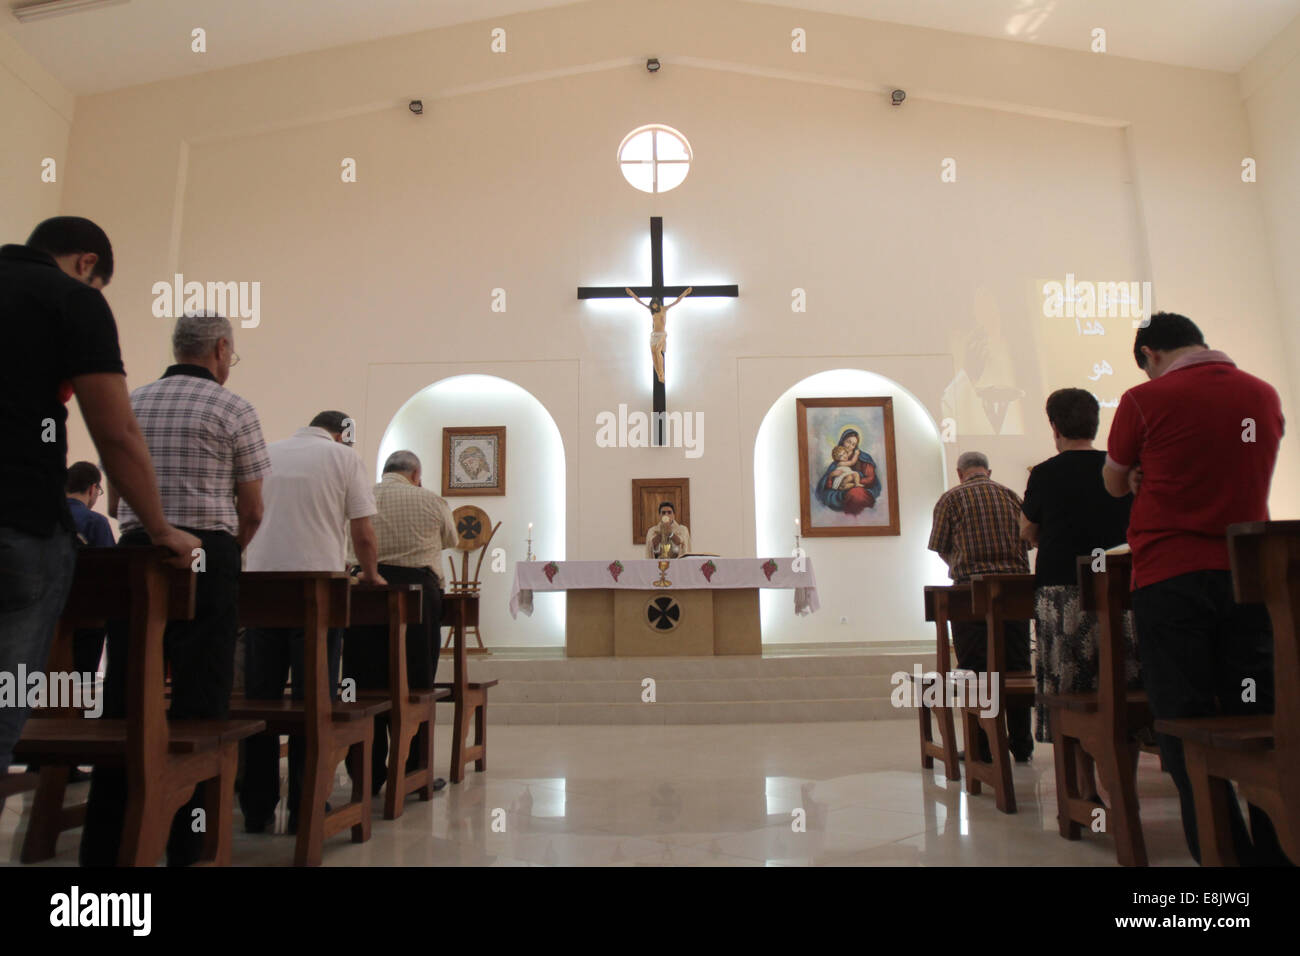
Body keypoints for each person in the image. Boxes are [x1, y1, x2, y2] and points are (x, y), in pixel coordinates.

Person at [0, 217, 197, 783]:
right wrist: (158, 526)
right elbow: (115, 432)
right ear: (87, 264)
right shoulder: (70, 300)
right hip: (16, 519)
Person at [81, 311, 270, 867]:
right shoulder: (233, 408)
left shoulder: (133, 401)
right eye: (230, 355)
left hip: (137, 552)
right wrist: (228, 549)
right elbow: (253, 507)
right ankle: (190, 842)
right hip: (207, 550)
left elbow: (117, 502)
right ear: (218, 349)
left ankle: (108, 842)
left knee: (126, 694)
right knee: (203, 695)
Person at [1103, 311, 1289, 865]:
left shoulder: (1144, 400)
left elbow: (1114, 481)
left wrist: (1139, 473)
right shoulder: (1262, 393)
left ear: (1150, 356)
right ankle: (1275, 855)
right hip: (1250, 578)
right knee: (1256, 717)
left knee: (1184, 723)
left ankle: (1222, 860)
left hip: (1171, 578)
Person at [240, 411, 386, 835]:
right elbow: (363, 533)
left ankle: (256, 808)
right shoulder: (343, 459)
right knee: (313, 703)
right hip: (317, 593)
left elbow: (245, 514)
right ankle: (308, 802)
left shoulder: (267, 453)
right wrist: (372, 574)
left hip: (262, 589)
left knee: (260, 701)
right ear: (342, 435)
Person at [1020, 389, 1138, 793]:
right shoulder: (1119, 469)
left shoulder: (1045, 473)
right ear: (1096, 423)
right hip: (1120, 591)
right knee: (1122, 686)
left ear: (1054, 427)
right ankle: (1124, 783)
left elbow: (1028, 530)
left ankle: (1083, 790)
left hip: (1062, 593)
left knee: (1068, 689)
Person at [344, 450, 456, 795]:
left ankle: (367, 773)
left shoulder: (363, 495)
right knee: (417, 683)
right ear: (416, 474)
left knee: (363, 684)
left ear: (385, 471)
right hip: (416, 595)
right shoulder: (430, 499)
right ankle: (413, 770)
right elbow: (451, 539)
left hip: (364, 591)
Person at [927, 450, 1033, 762]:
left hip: (970, 594)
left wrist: (961, 567)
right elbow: (1027, 540)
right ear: (988, 470)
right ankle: (1021, 744)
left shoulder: (951, 499)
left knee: (974, 671)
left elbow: (940, 546)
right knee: (1016, 665)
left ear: (960, 473)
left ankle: (982, 747)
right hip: (1015, 594)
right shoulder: (1011, 496)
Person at [814, 429, 882, 515]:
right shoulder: (837, 461)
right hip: (840, 489)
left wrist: (853, 480)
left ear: (856, 446)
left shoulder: (864, 458)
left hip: (861, 487)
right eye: (848, 442)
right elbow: (826, 485)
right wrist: (831, 475)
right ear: (843, 441)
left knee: (856, 494)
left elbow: (870, 479)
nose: (850, 446)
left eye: (853, 444)